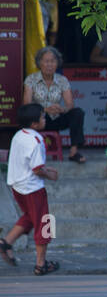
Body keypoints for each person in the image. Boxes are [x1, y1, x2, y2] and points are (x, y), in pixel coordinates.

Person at [1, 104, 59, 274]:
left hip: (17, 186)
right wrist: (51, 175)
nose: (44, 119)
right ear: (34, 124)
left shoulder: (18, 135)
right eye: (42, 117)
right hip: (32, 188)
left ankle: (6, 242)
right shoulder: (36, 140)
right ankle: (41, 264)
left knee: (30, 217)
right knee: (45, 223)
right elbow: (37, 169)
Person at [23, 46, 86, 163]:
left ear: (57, 63)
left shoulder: (62, 80)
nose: (49, 65)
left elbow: (70, 104)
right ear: (39, 63)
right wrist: (45, 110)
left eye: (53, 61)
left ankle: (74, 151)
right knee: (28, 113)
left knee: (77, 113)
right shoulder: (31, 80)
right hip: (40, 119)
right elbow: (27, 104)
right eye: (46, 61)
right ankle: (31, 152)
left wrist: (62, 109)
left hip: (57, 118)